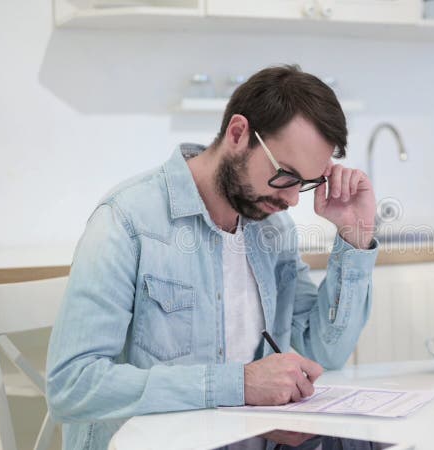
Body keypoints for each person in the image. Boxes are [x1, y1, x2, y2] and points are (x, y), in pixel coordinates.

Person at [45, 65, 379, 449]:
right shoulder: (127, 221)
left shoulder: (272, 229)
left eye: (304, 183)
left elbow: (324, 353)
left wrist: (354, 237)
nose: (290, 200)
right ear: (238, 134)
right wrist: (239, 385)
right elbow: (72, 385)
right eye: (285, 174)